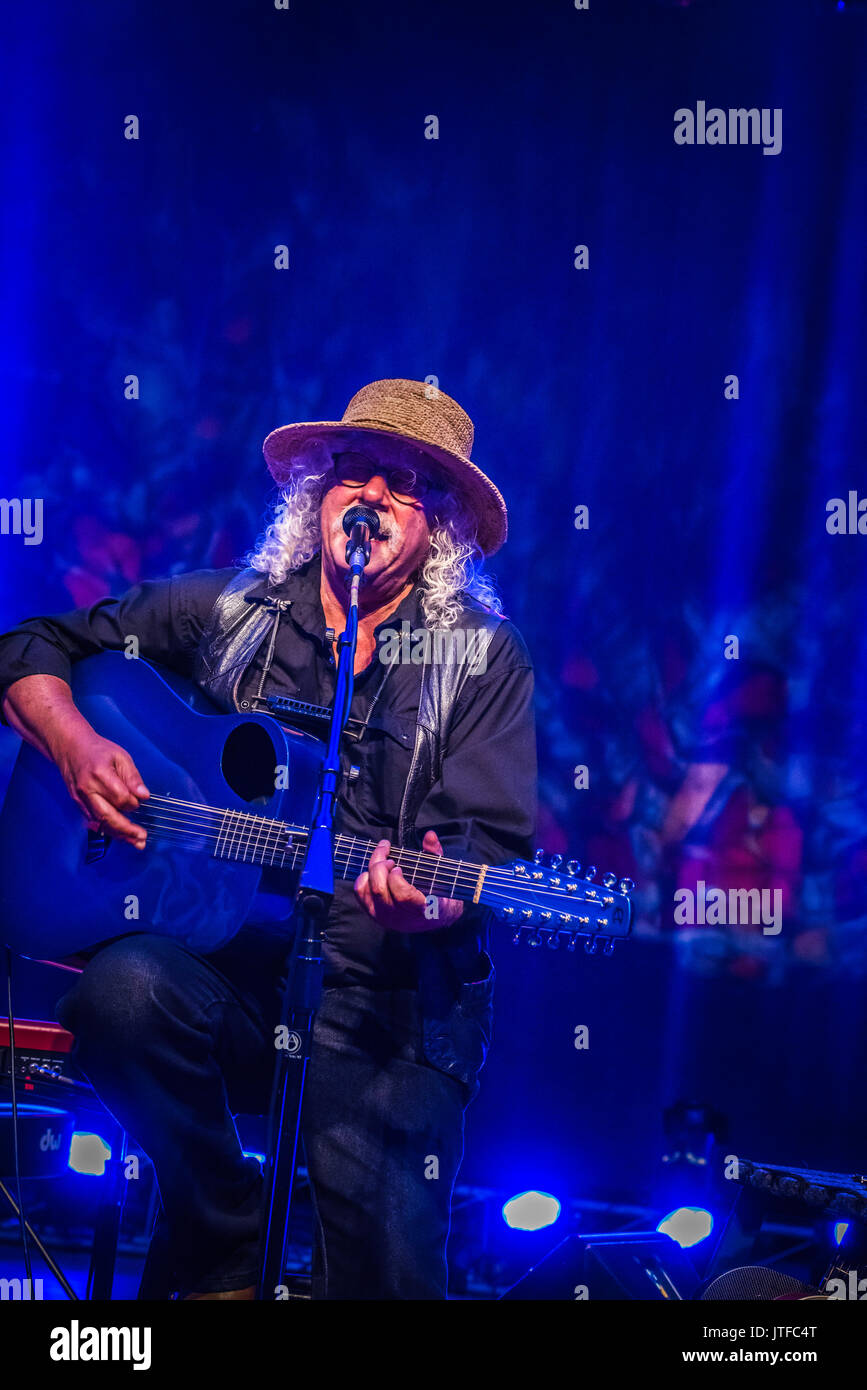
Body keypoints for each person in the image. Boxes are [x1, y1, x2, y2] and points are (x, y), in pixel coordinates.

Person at [0, 378, 537, 1299]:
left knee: (386, 1281)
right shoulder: (230, 611)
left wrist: (432, 898)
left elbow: (486, 851)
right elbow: (31, 647)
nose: (371, 494)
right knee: (121, 996)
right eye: (355, 470)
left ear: (440, 525)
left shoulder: (480, 658)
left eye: (405, 484)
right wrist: (78, 746)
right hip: (234, 977)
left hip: (385, 1007)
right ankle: (222, 1232)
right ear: (318, 490)